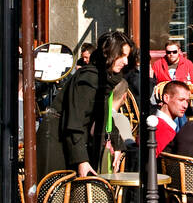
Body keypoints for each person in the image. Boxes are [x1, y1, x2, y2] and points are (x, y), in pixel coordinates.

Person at [37, 30, 135, 178]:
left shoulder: (102, 78)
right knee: (55, 196)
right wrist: (81, 160)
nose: (126, 61)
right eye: (122, 55)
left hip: (65, 138)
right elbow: (74, 121)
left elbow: (104, 113)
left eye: (127, 56)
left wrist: (117, 142)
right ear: (108, 54)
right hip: (55, 141)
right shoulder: (89, 78)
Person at [155, 80, 191, 154]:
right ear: (166, 98)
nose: (185, 106)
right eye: (181, 100)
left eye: (187, 101)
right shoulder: (162, 130)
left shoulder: (153, 121)